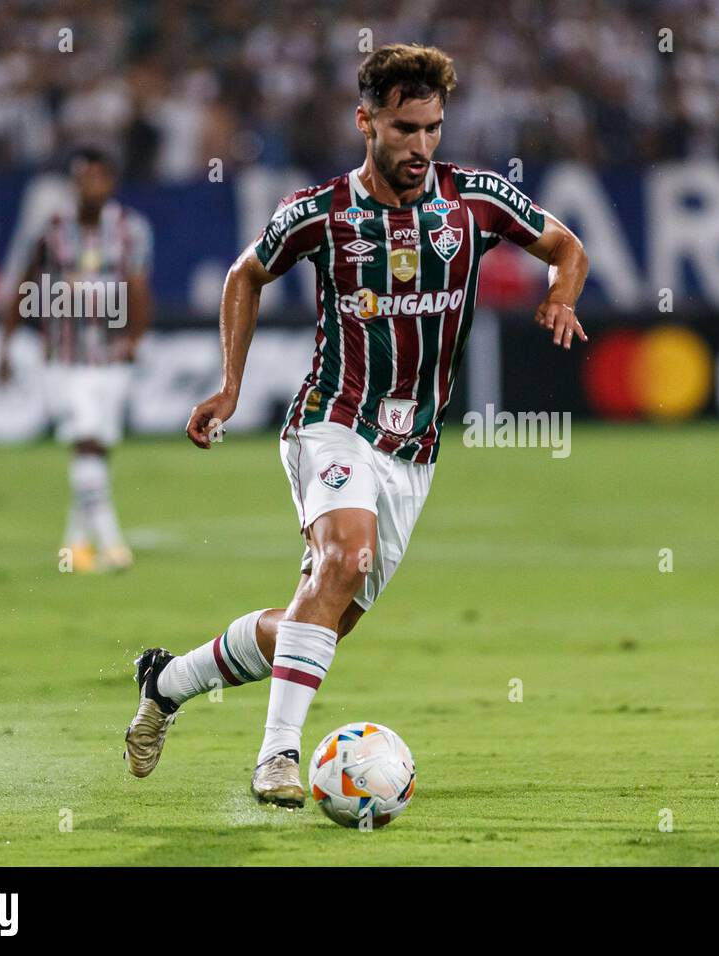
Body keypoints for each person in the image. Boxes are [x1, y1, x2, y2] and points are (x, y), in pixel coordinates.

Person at [122, 43, 590, 808]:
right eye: (406, 128)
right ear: (365, 120)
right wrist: (231, 386)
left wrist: (561, 294)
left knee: (318, 623)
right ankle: (277, 756)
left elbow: (566, 247)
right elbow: (246, 274)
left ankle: (169, 680)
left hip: (415, 452)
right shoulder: (321, 212)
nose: (421, 146)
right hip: (331, 421)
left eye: (433, 128)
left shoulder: (474, 202)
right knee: (343, 558)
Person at [0, 147, 152, 572]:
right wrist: (5, 345)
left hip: (111, 359)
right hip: (64, 359)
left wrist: (135, 338)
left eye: (100, 177)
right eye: (84, 177)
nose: (92, 186)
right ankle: (113, 544)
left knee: (97, 450)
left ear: (112, 182)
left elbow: (139, 287)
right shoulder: (52, 230)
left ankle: (74, 546)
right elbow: (24, 285)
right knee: (85, 441)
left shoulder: (129, 229)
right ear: (74, 182)